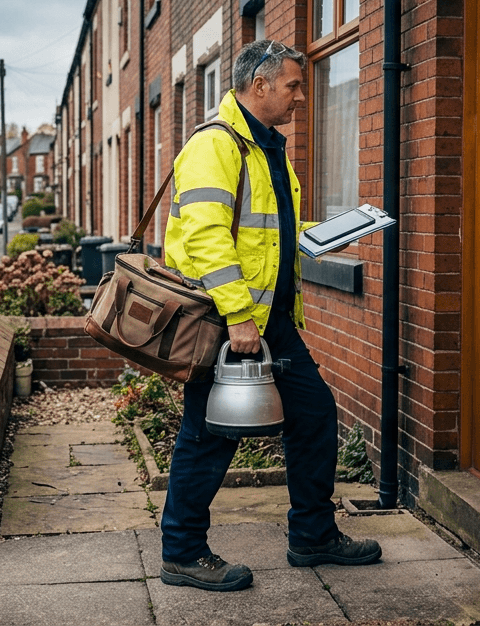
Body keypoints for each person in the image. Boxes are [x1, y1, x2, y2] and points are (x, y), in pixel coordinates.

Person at [158, 39, 382, 593]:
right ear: (258, 86)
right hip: (226, 322)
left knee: (314, 416)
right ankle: (181, 552)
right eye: (293, 85)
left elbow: (265, 233)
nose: (301, 96)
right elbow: (207, 237)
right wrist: (238, 318)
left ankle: (313, 535)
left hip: (269, 321)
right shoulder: (216, 145)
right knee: (209, 435)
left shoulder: (266, 148)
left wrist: (325, 235)